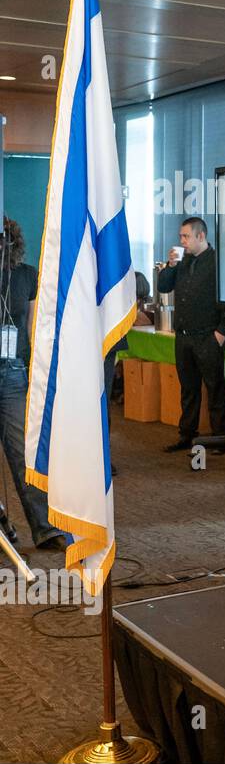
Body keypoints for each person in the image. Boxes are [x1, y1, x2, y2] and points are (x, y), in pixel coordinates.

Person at [0, 216, 67, 550]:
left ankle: (45, 528)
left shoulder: (26, 275)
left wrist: (40, 369)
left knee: (23, 453)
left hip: (12, 373)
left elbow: (32, 327)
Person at [157, 216, 225, 451]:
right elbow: (163, 287)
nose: (182, 241)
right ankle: (186, 435)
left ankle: (220, 438)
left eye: (186, 236)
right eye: (181, 237)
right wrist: (170, 266)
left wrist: (220, 333)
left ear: (201, 236)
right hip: (184, 336)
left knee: (215, 388)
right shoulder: (183, 261)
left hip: (207, 336)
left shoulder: (218, 262)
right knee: (188, 389)